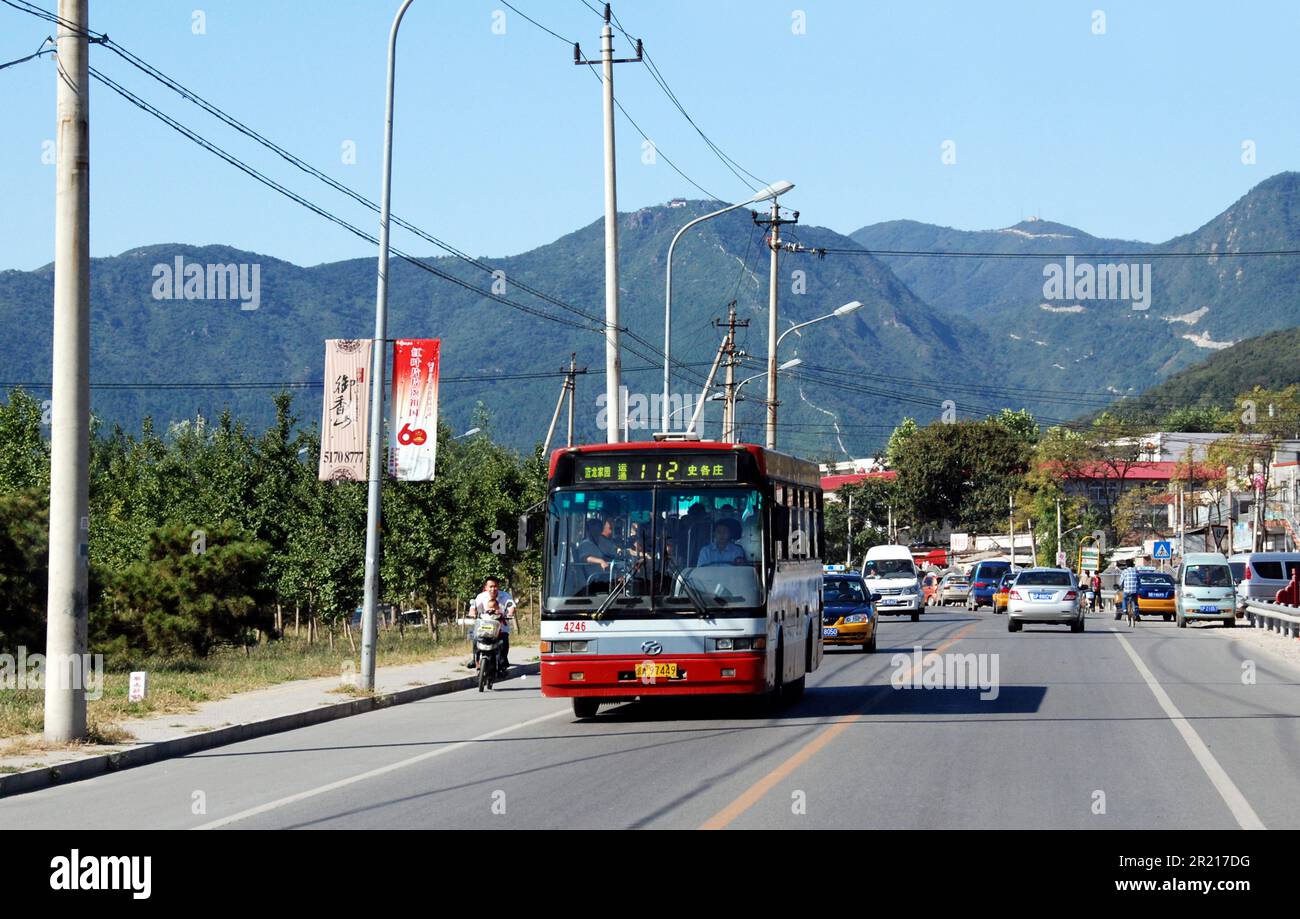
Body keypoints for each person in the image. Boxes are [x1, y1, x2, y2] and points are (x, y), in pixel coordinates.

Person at [467, 576, 515, 669]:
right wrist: (472, 612)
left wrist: (509, 613)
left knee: (504, 640)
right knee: (476, 639)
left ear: (498, 586)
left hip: (500, 625)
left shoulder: (505, 596)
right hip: (484, 625)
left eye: (495, 586)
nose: (493, 589)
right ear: (486, 587)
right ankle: (475, 659)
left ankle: (503, 660)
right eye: (491, 586)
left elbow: (511, 606)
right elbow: (473, 606)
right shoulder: (481, 596)